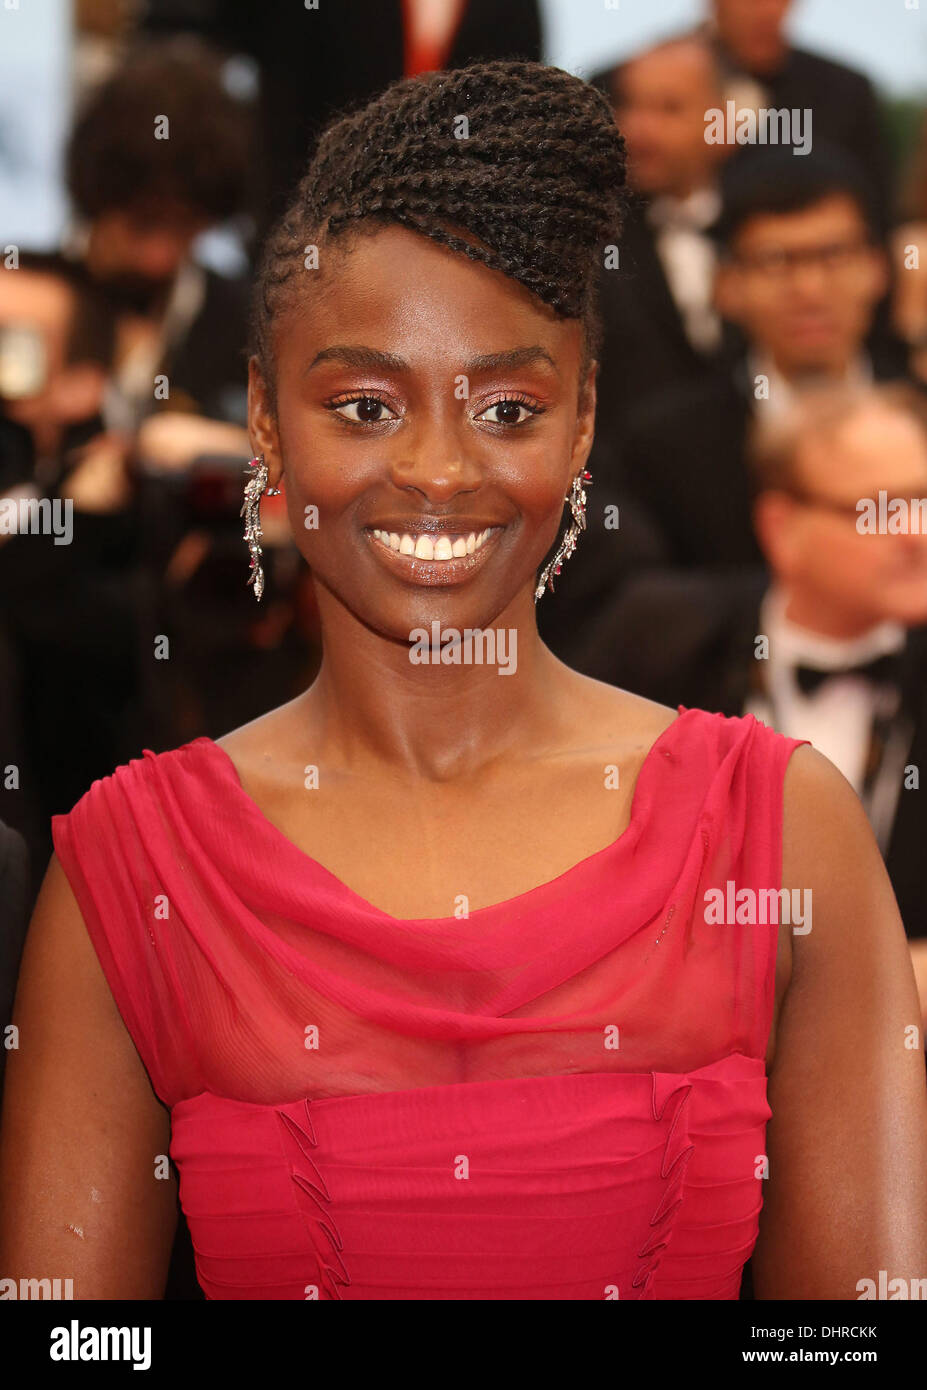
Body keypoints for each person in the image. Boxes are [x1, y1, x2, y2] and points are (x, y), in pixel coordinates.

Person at [1, 61, 925, 1301]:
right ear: (267, 428)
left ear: (583, 422)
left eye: (505, 405)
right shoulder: (131, 867)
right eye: (367, 405)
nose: (439, 469)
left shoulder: (784, 832)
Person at [562, 382, 927, 1018]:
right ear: (783, 529)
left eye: (924, 500)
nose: (916, 534)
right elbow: (570, 870)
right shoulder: (656, 643)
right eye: (881, 508)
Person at [588, 36, 735, 471]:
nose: (639, 129)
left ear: (724, 124)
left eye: (669, 109)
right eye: (630, 106)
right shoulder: (589, 241)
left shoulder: (766, 227)